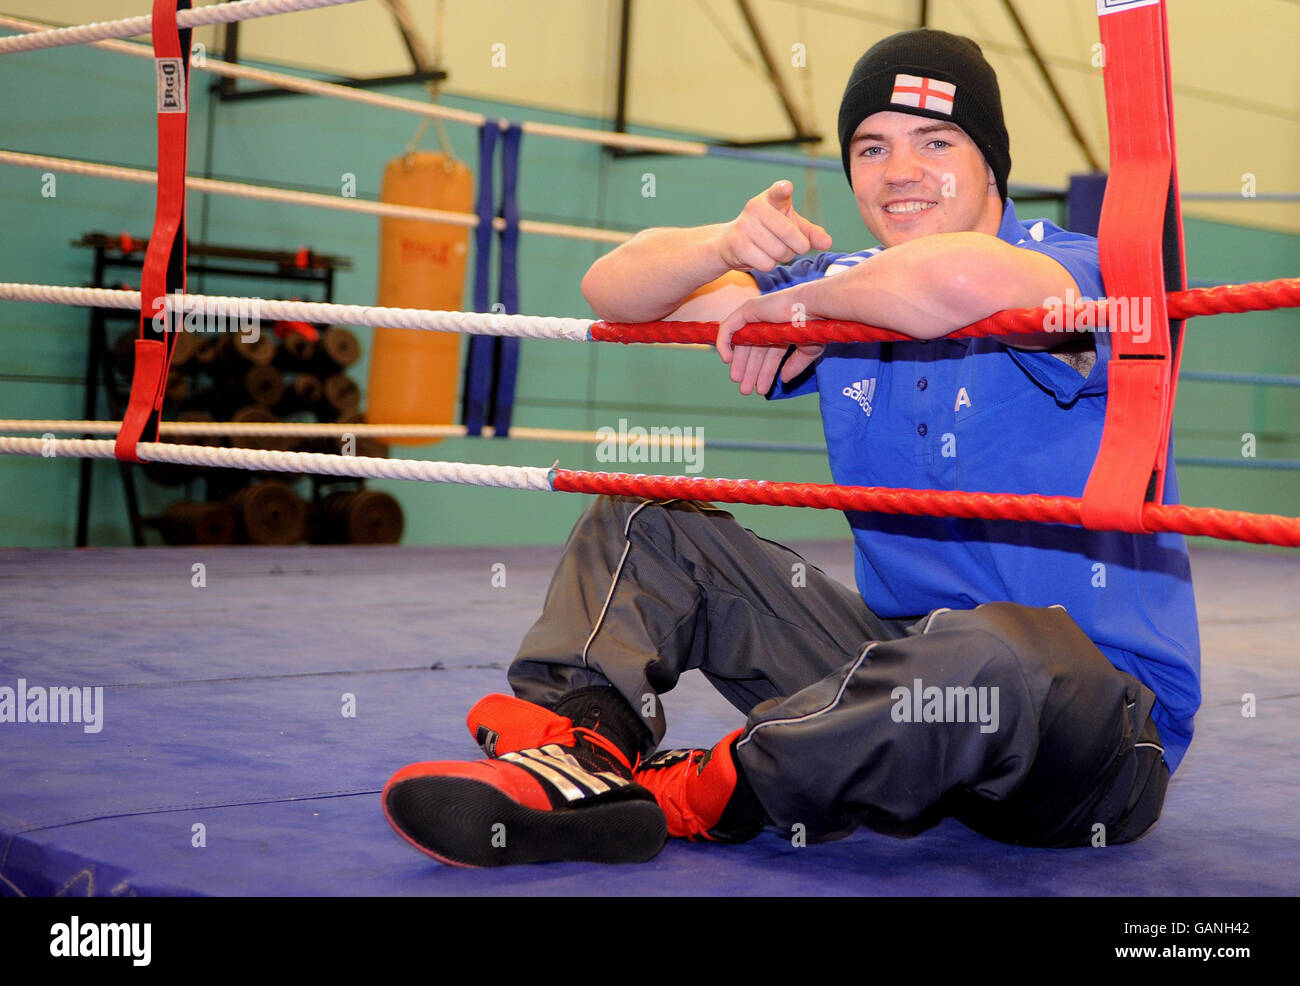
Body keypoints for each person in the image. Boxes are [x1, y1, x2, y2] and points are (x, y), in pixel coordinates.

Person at [382, 28, 1201, 868]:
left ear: (991, 160)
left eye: (936, 141)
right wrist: (725, 250)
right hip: (894, 678)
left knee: (998, 649)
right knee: (651, 521)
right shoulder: (847, 281)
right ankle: (578, 755)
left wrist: (797, 306)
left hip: (1087, 727)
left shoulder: (1087, 268)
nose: (901, 170)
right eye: (871, 147)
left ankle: (700, 791)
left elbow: (960, 281)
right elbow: (616, 290)